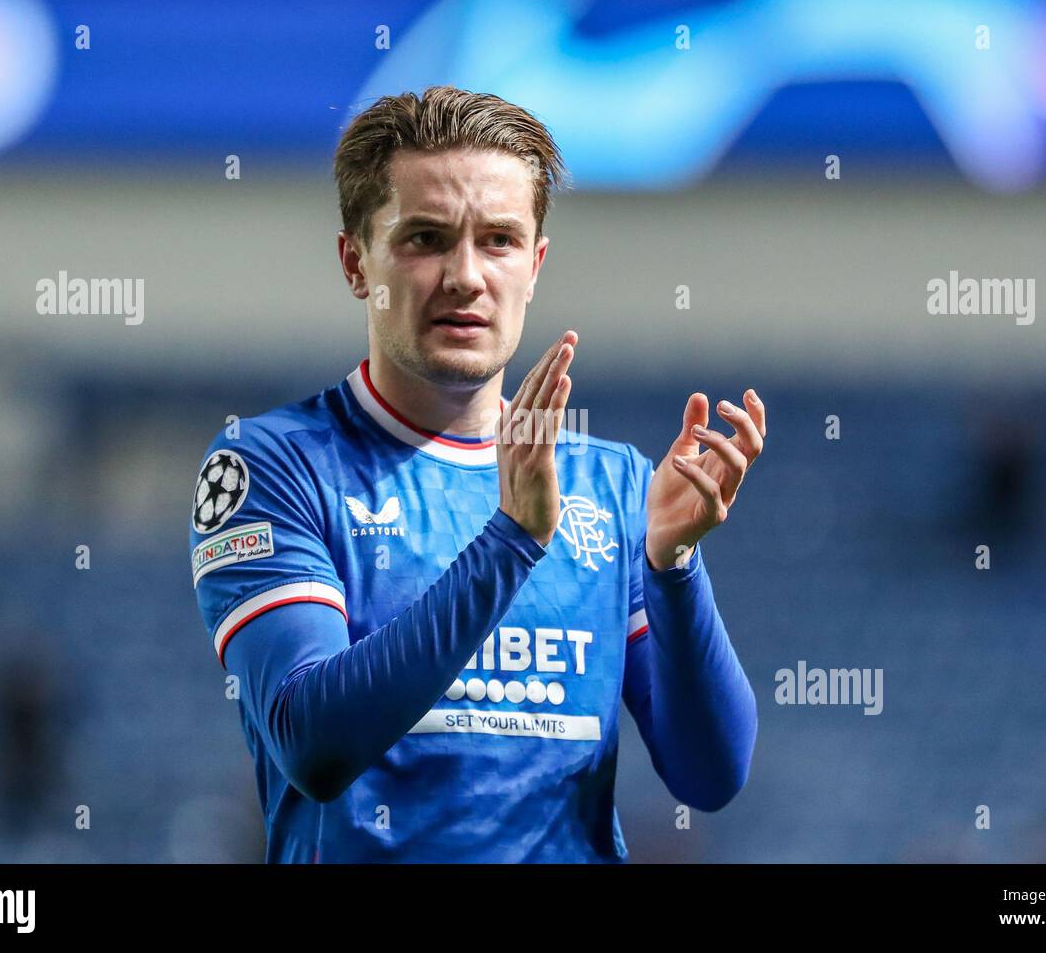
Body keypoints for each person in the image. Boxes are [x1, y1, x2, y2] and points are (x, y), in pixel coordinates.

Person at [188, 86, 764, 862]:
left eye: (498, 240)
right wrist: (512, 542)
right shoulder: (271, 467)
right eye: (426, 239)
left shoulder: (614, 488)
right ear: (357, 262)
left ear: (535, 264)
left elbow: (711, 776)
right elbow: (314, 741)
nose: (465, 275)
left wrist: (673, 566)